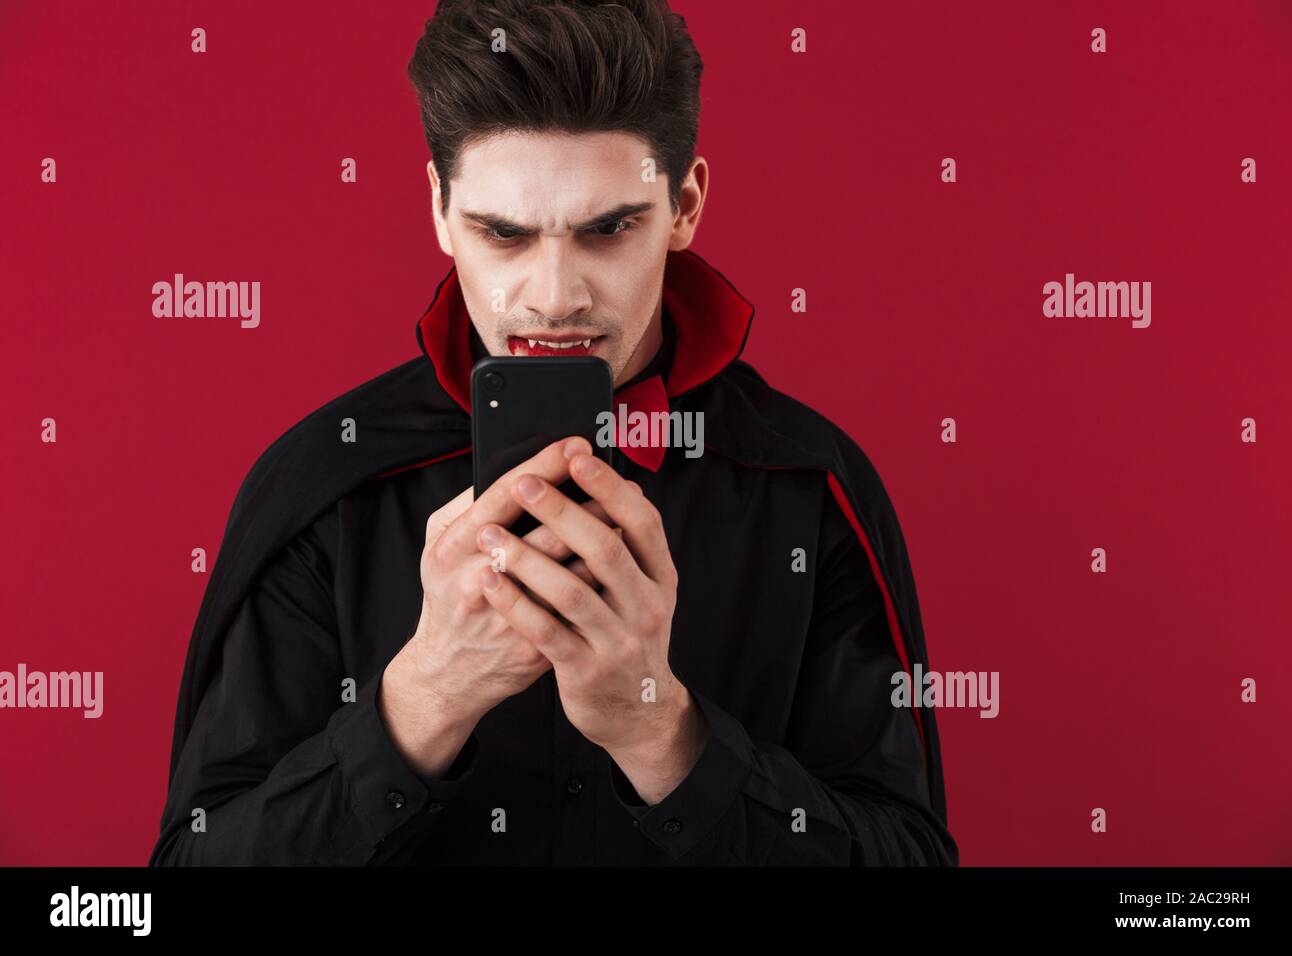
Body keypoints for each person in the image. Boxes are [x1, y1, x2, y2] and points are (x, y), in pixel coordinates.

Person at [149, 0, 959, 866]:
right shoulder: (323, 482)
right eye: (503, 233)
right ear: (438, 209)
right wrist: (424, 699)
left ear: (683, 206)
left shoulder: (812, 486)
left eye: (610, 229)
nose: (554, 296)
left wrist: (662, 736)